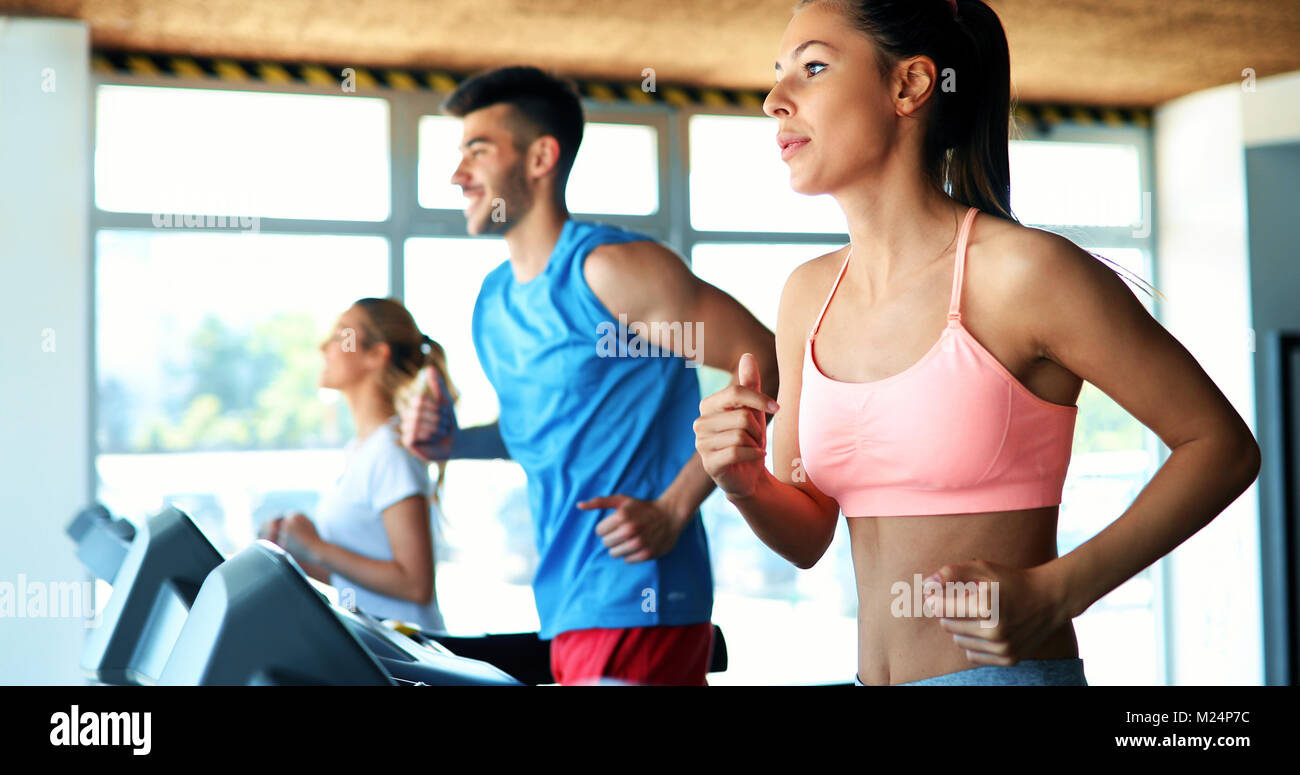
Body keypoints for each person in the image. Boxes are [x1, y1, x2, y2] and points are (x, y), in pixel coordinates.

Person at [694, 0, 1261, 686]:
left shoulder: (1024, 273)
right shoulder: (806, 295)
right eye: (777, 73)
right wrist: (745, 482)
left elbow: (1222, 447)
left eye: (812, 68)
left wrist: (1057, 591)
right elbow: (810, 533)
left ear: (909, 85)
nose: (773, 101)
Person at [400, 66, 780, 685]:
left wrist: (674, 507)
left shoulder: (610, 269)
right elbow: (537, 432)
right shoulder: (493, 303)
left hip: (642, 597)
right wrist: (453, 443)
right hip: (566, 606)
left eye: (478, 150)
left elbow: (764, 358)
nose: (457, 175)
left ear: (541, 157)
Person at [262, 298, 453, 632]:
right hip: (377, 643)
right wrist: (298, 558)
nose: (324, 346)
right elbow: (357, 581)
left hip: (411, 656)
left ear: (375, 355)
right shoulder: (361, 450)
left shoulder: (393, 451)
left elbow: (415, 586)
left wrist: (319, 547)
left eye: (341, 335)